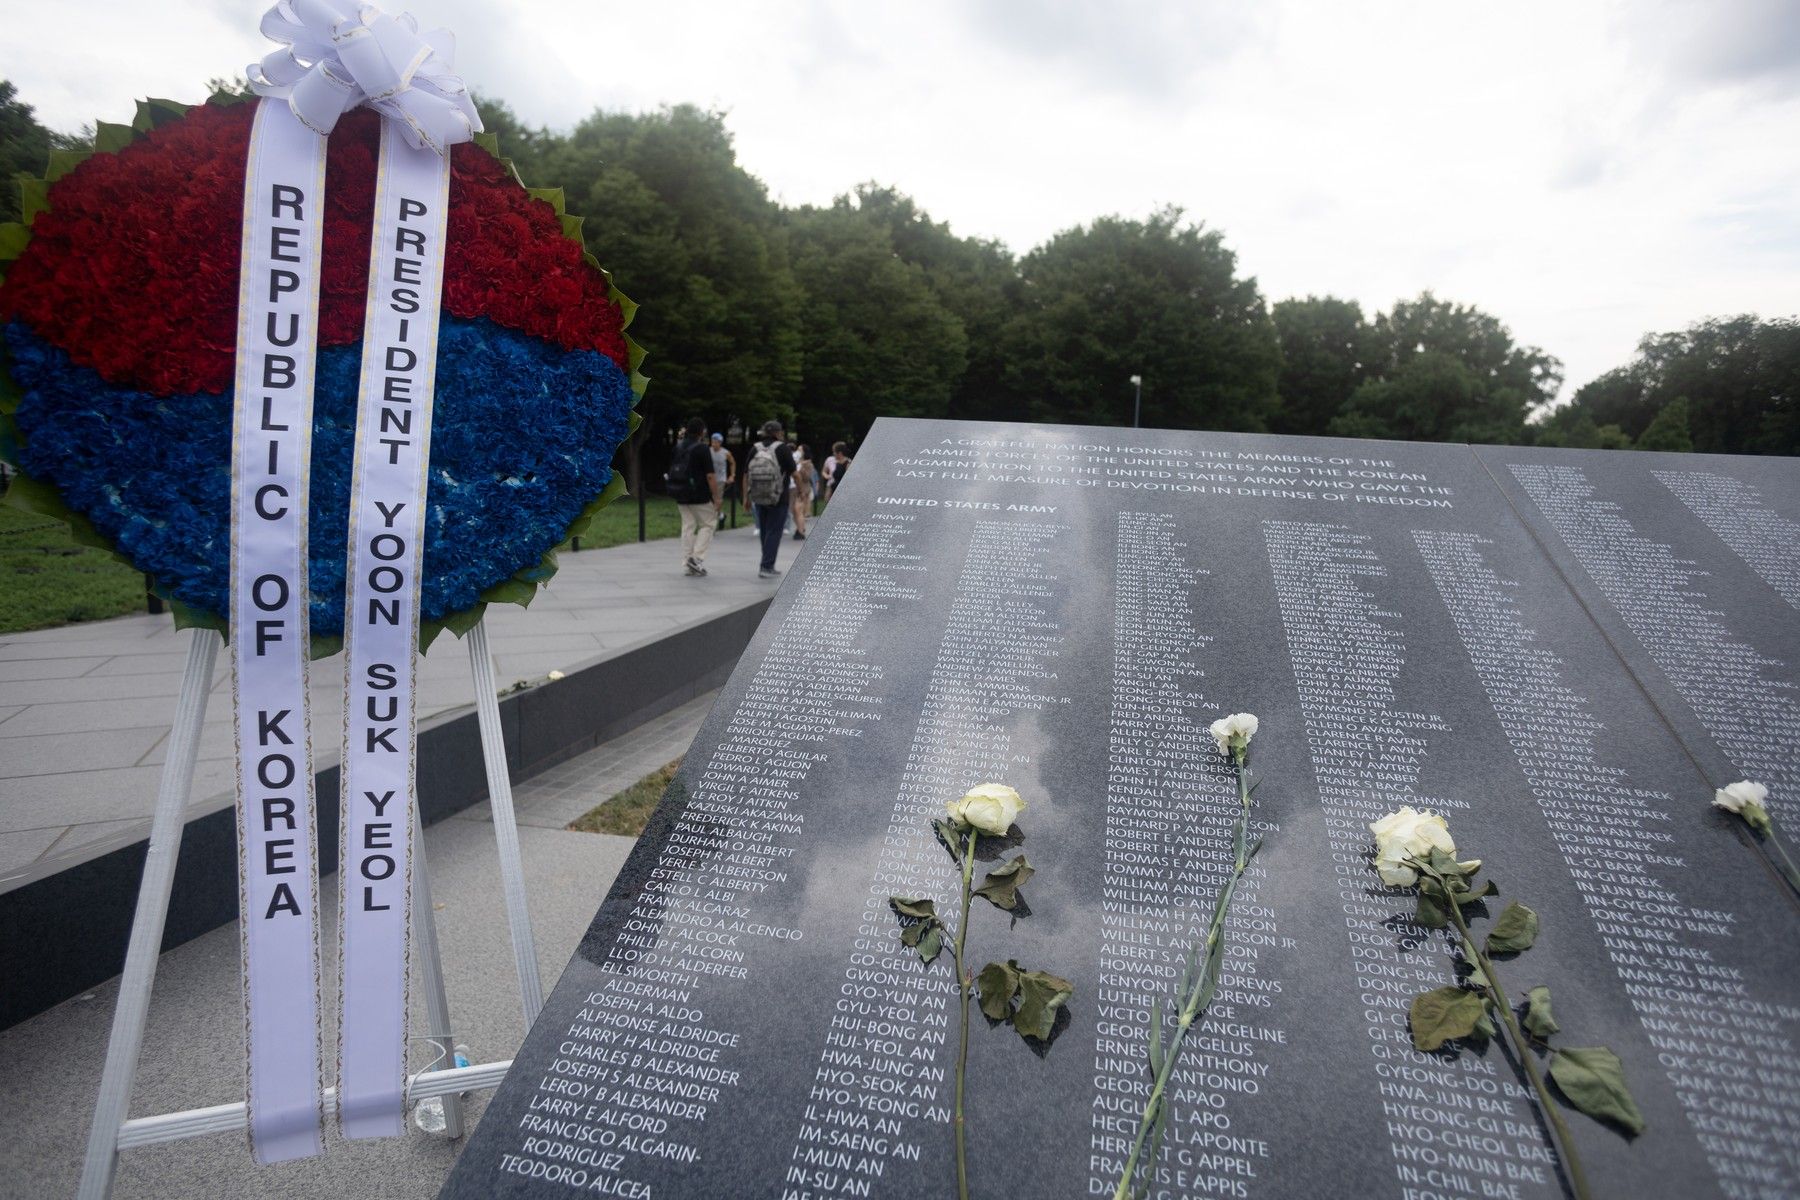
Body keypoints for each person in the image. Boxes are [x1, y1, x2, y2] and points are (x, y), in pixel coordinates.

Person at [743, 419, 796, 578]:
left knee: (764, 531)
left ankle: (766, 563)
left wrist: (746, 497)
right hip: (778, 497)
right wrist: (800, 491)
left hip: (758, 496)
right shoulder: (783, 449)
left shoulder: (755, 448)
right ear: (778, 433)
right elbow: (794, 472)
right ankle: (766, 566)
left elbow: (746, 474)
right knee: (774, 531)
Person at [670, 416, 721, 576]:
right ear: (702, 431)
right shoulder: (702, 448)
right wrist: (717, 497)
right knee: (709, 523)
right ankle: (697, 558)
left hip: (680, 492)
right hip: (699, 494)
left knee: (688, 526)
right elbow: (710, 476)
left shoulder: (678, 447)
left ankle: (687, 563)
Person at [789, 444, 815, 540]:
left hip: (802, 489)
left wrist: (801, 467)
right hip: (793, 489)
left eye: (800, 450)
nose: (798, 452)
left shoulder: (808, 464)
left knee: (798, 510)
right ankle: (800, 528)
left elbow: (807, 478)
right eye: (797, 450)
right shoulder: (795, 462)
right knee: (794, 511)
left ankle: (800, 531)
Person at [710, 432, 735, 530]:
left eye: (716, 442)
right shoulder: (708, 451)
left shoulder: (726, 453)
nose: (714, 444)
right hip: (710, 478)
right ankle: (721, 516)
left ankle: (713, 522)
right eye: (713, 441)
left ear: (720, 443)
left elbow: (732, 463)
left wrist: (732, 475)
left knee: (717, 499)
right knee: (710, 500)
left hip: (720, 479)